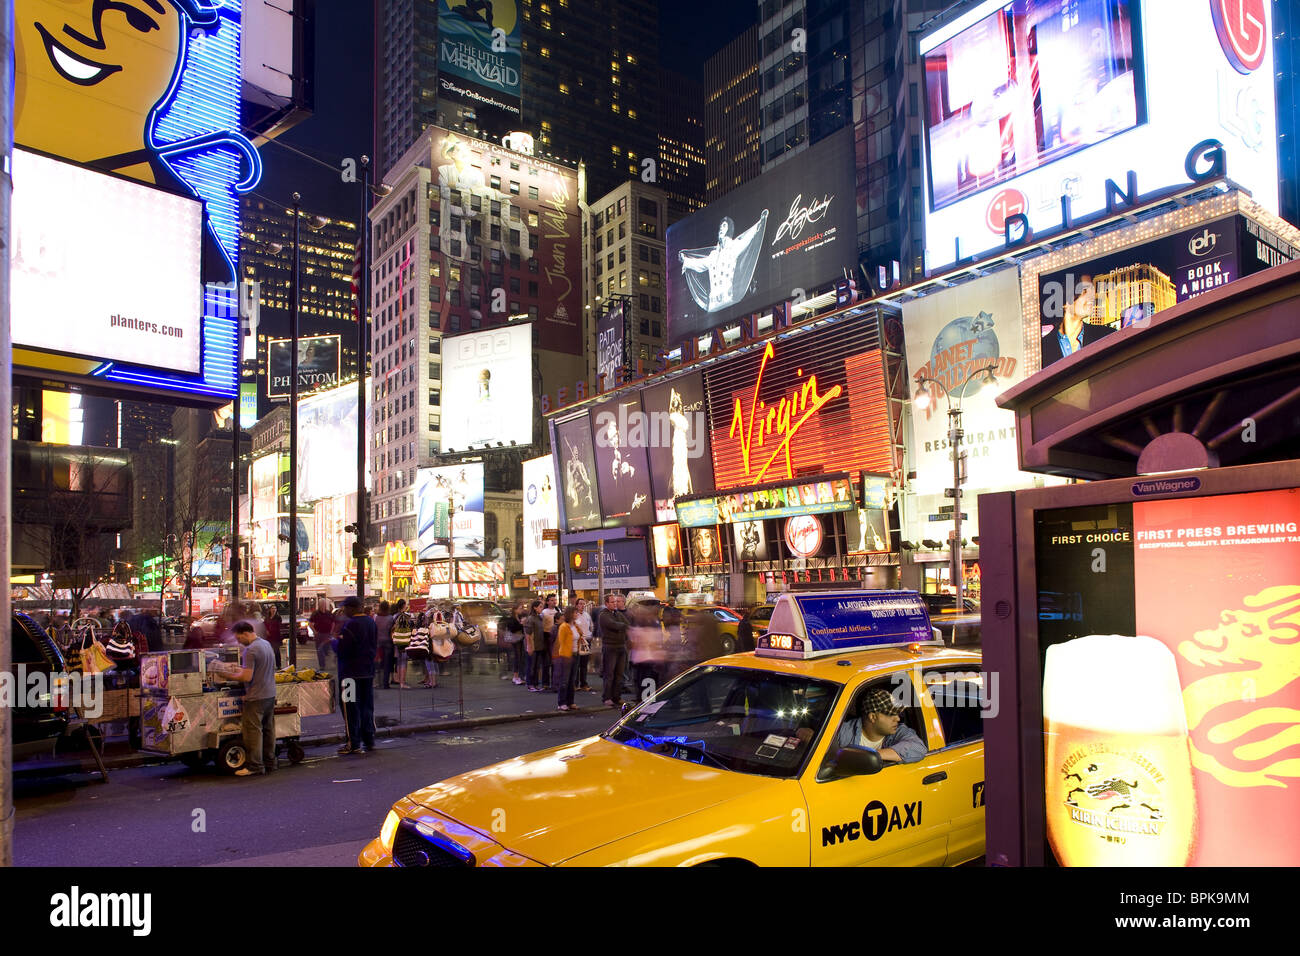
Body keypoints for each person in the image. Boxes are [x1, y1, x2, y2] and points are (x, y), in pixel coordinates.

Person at [215, 621, 278, 777]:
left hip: (256, 696)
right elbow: (261, 669)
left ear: (245, 633)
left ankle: (255, 766)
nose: (238, 642)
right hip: (270, 694)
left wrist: (225, 674)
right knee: (268, 730)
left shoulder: (250, 650)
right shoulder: (266, 644)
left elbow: (246, 676)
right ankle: (270, 762)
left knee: (253, 732)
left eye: (238, 638)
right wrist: (238, 669)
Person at [1040, 273, 1116, 368]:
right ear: (1065, 302)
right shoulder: (1041, 350)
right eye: (1084, 291)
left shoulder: (1107, 336)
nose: (1092, 297)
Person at [834, 687, 926, 764]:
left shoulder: (898, 730)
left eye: (897, 713)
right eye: (891, 714)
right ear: (873, 717)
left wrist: (871, 755)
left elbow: (918, 748)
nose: (897, 718)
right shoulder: (843, 732)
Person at [334, 596, 377, 755]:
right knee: (367, 707)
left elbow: (343, 650)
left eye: (345, 608)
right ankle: (369, 739)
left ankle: (353, 743)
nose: (344, 611)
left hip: (350, 674)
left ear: (352, 608)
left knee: (351, 709)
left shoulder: (350, 625)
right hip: (367, 672)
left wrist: (334, 641)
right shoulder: (371, 622)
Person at [599, 593, 630, 707]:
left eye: (616, 602)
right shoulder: (603, 615)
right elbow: (613, 625)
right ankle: (607, 697)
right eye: (612, 602)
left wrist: (622, 626)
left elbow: (626, 624)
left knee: (619, 674)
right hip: (610, 647)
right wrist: (622, 626)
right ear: (606, 603)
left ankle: (616, 697)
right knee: (609, 674)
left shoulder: (618, 614)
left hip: (621, 646)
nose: (615, 604)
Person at [554, 607, 578, 711]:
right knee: (565, 680)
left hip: (575, 654)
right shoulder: (564, 627)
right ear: (571, 614)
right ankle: (562, 702)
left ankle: (570, 702)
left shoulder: (575, 626)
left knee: (572, 680)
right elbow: (561, 642)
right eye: (575, 613)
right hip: (566, 655)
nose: (577, 614)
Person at [500, 602, 526, 684]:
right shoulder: (512, 619)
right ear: (515, 610)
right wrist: (522, 624)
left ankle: (518, 676)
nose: (521, 610)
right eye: (520, 608)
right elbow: (513, 629)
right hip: (515, 640)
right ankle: (515, 676)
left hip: (519, 639)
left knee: (519, 657)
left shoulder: (518, 617)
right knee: (517, 657)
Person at [573, 598, 594, 691]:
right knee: (576, 664)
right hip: (578, 641)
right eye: (580, 604)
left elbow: (591, 626)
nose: (582, 606)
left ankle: (584, 683)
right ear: (576, 605)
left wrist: (590, 635)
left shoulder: (587, 615)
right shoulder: (574, 615)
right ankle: (575, 683)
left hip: (586, 641)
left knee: (584, 664)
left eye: (583, 604)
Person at [523, 600, 544, 692]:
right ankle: (530, 684)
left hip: (539, 645)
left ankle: (535, 683)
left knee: (536, 666)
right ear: (535, 607)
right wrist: (529, 646)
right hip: (533, 645)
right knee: (531, 666)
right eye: (540, 607)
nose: (541, 609)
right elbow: (528, 634)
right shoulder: (530, 619)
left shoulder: (539, 618)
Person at [539, 594, 559, 690]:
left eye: (555, 600)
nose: (554, 602)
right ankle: (545, 683)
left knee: (555, 661)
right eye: (551, 600)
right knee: (546, 661)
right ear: (547, 602)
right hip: (546, 636)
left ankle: (554, 682)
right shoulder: (544, 612)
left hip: (556, 637)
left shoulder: (558, 611)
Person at [374, 601, 395, 690]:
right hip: (387, 641)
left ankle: (378, 682)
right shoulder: (390, 618)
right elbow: (392, 629)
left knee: (378, 663)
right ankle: (385, 683)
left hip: (378, 641)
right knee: (387, 663)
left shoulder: (376, 617)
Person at [310, 599, 335, 670]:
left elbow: (333, 622)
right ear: (319, 605)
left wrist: (331, 631)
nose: (323, 606)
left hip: (327, 634)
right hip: (319, 634)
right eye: (321, 604)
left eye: (324, 604)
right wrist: (315, 632)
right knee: (320, 650)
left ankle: (327, 664)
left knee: (327, 650)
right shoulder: (315, 613)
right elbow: (310, 623)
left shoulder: (329, 613)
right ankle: (322, 665)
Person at [263, 604, 284, 669]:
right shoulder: (267, 617)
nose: (274, 610)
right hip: (268, 636)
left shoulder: (278, 617)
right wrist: (266, 631)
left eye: (275, 608)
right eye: (272, 608)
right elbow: (264, 624)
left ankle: (278, 665)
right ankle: (268, 664)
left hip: (275, 636)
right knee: (268, 651)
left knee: (276, 651)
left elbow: (279, 626)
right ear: (270, 610)